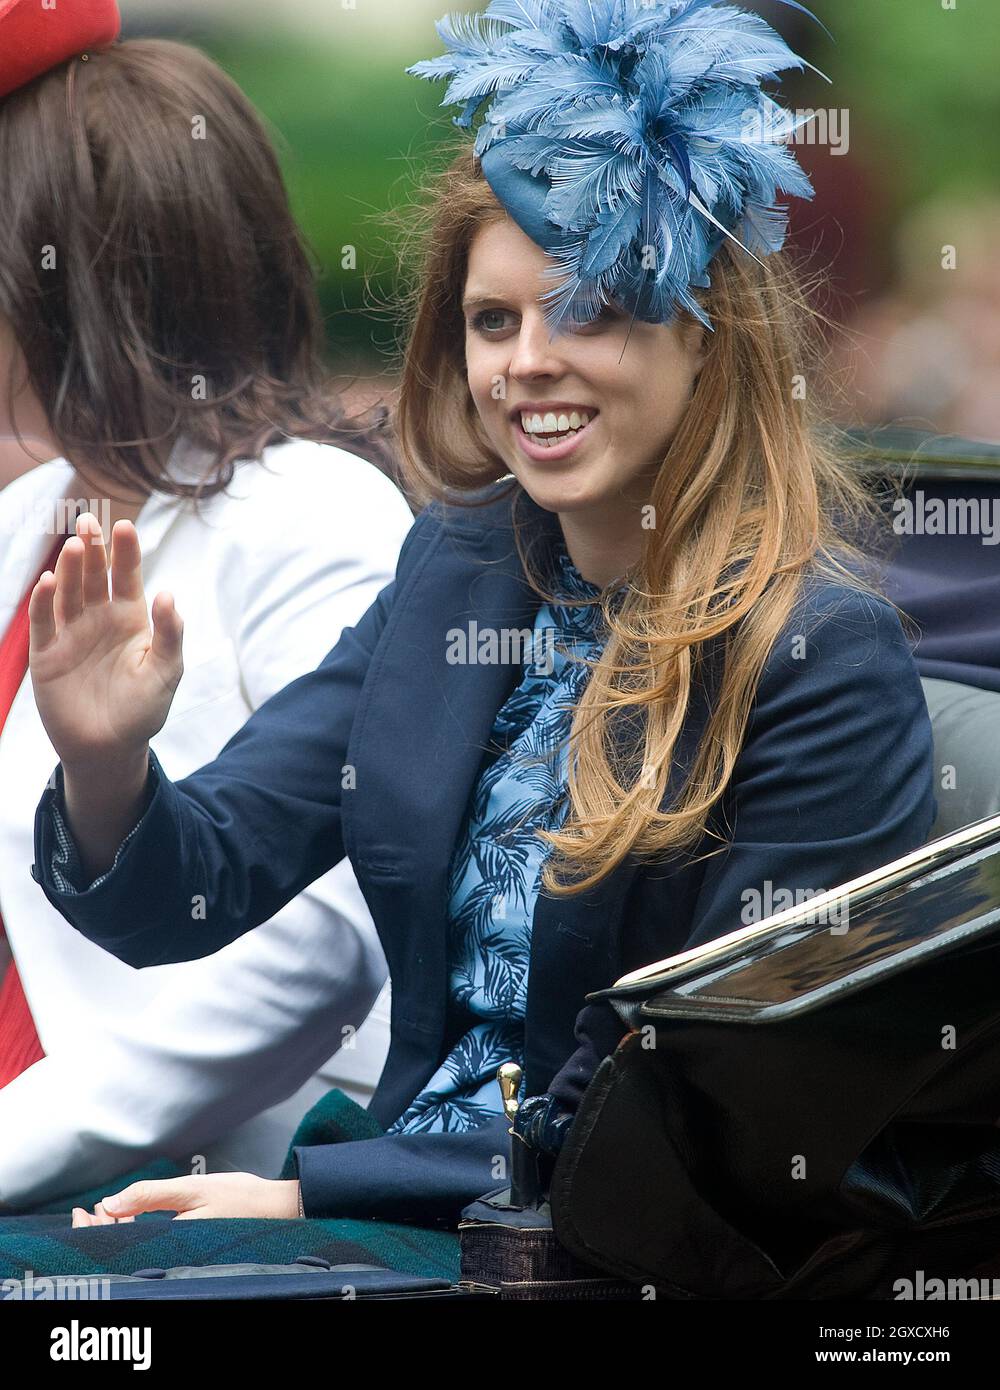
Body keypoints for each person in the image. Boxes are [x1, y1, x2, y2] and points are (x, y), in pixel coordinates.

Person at [9, 0, 933, 1270]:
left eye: (590, 312)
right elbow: (201, 882)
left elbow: (709, 1115)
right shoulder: (457, 570)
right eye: (494, 320)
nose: (526, 363)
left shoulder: (822, 657)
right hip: (385, 1200)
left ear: (709, 337)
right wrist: (107, 762)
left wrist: (311, 1197)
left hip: (599, 1250)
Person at [0, 10, 412, 1214]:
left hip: (202, 1185)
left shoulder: (313, 515)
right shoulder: (37, 510)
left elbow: (319, 945)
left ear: (80, 293)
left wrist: (21, 1142)